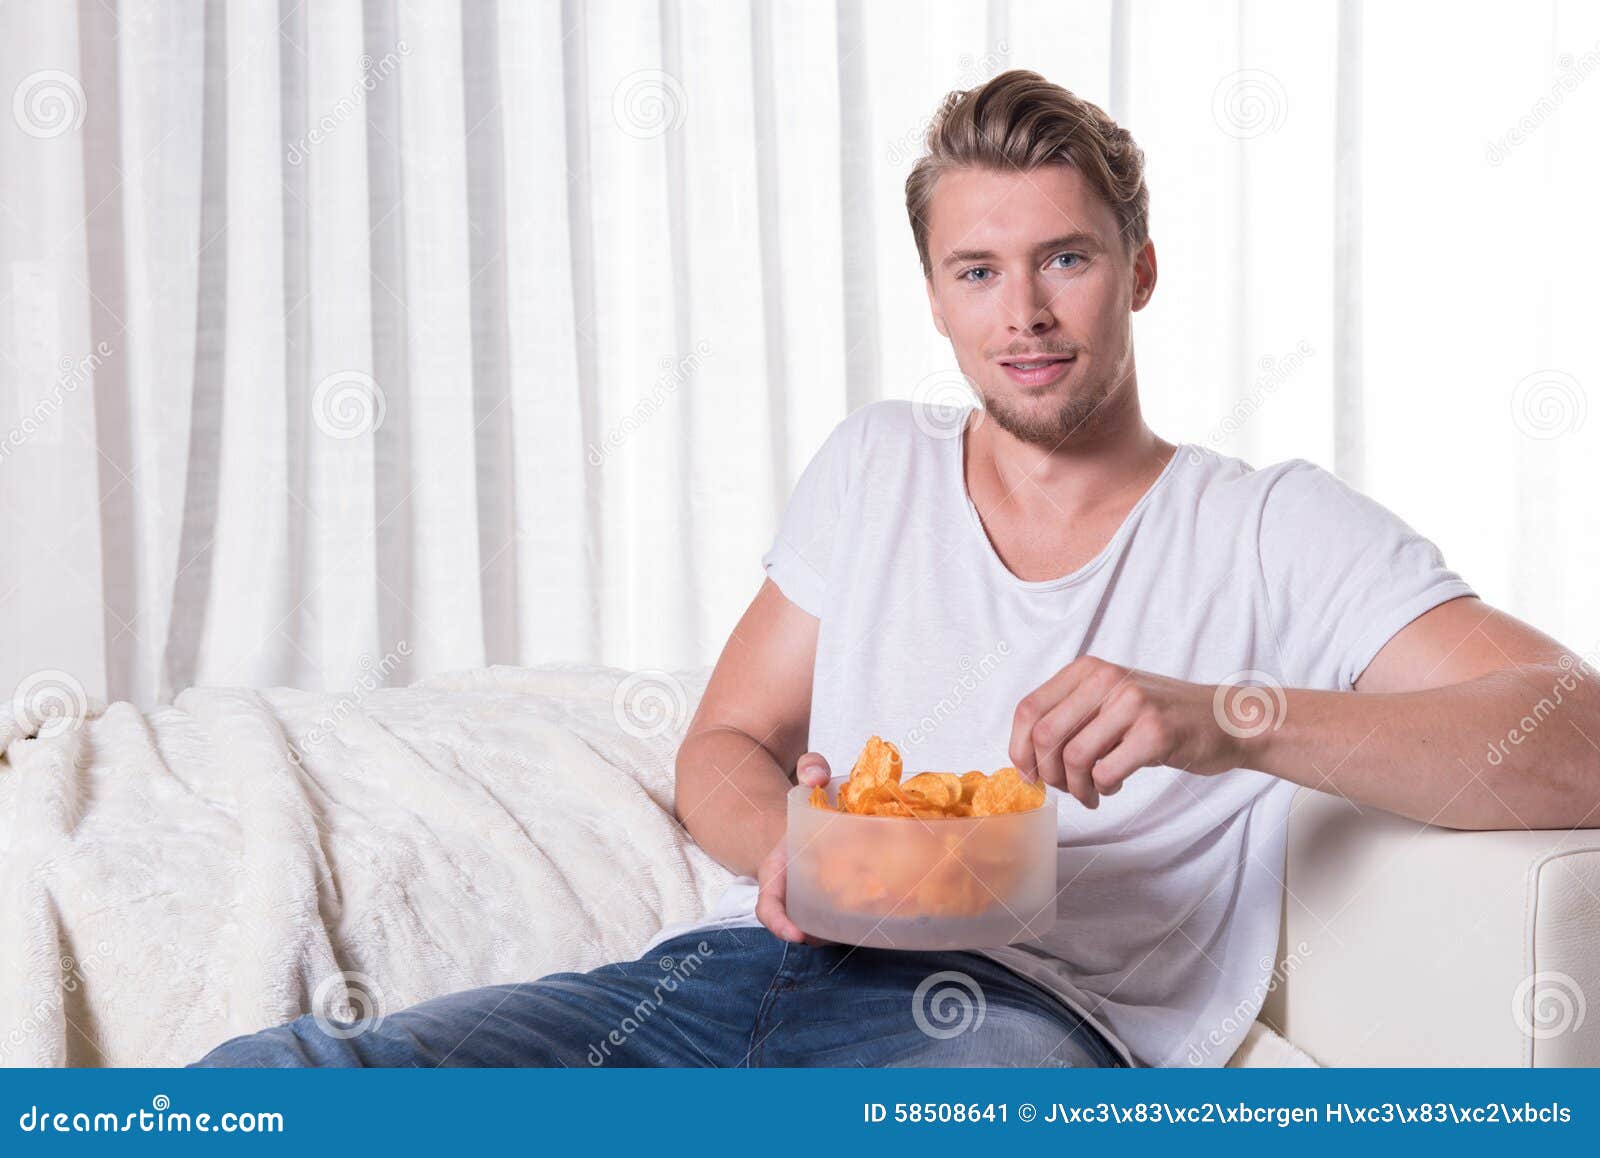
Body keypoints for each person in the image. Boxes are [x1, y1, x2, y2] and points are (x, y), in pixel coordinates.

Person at [193, 69, 1599, 1069]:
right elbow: (728, 741)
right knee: (276, 1087)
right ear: (934, 295)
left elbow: (1572, 735)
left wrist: (1222, 717)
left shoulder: (1273, 528)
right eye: (980, 271)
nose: (1028, 314)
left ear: (1144, 269)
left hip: (1012, 1024)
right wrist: (795, 852)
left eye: (1067, 259)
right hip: (728, 973)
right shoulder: (874, 467)